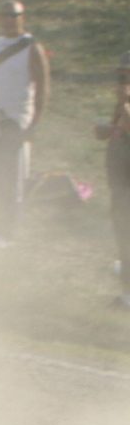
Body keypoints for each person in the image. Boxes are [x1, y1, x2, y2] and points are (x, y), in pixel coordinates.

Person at [0, 0, 50, 244]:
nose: (9, 19)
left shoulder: (31, 48)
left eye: (14, 15)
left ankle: (9, 231)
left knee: (14, 177)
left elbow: (42, 88)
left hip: (17, 119)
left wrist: (34, 125)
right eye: (5, 15)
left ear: (23, 17)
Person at [99, 55, 130, 308]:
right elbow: (116, 128)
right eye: (121, 75)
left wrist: (126, 103)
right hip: (119, 178)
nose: (123, 80)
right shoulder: (123, 102)